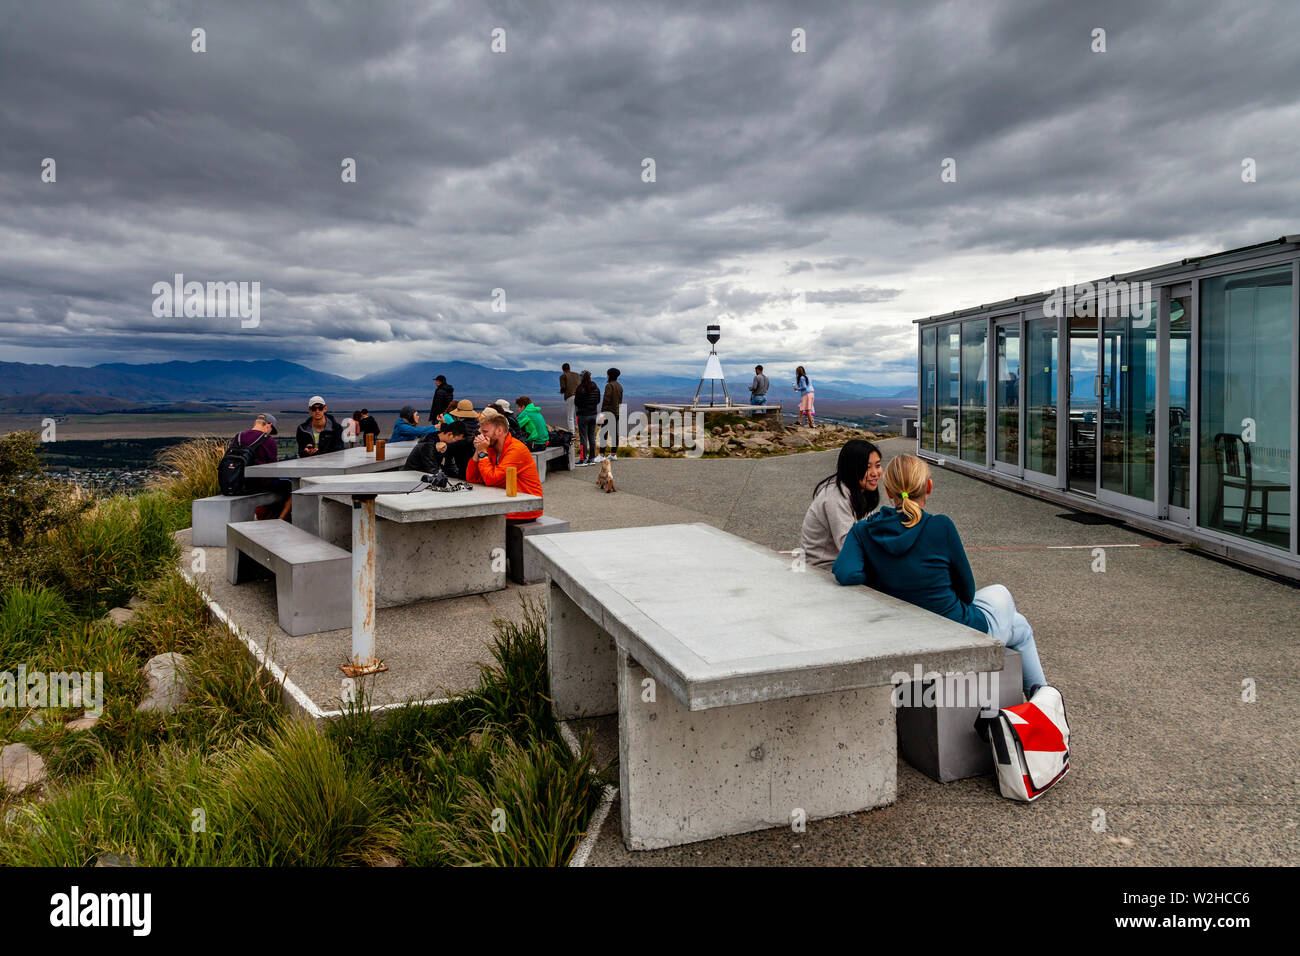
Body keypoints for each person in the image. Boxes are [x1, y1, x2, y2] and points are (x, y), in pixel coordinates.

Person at [832, 455, 1048, 698]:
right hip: (955, 630)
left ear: (888, 490)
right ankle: (1045, 703)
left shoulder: (863, 531)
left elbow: (846, 571)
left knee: (1019, 625)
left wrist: (880, 575)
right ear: (929, 487)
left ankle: (1044, 698)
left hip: (906, 630)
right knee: (1001, 594)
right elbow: (967, 593)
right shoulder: (940, 526)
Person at [799, 439, 882, 570]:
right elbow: (848, 546)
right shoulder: (835, 496)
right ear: (852, 468)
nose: (875, 473)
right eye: (867, 467)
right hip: (822, 568)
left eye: (877, 465)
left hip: (842, 562)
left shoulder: (863, 490)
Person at [466, 407, 543, 521]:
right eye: (480, 432)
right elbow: (472, 478)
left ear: (500, 431)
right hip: (506, 502)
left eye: (485, 432)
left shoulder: (516, 450)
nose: (480, 436)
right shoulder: (491, 448)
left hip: (523, 508)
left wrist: (482, 452)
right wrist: (478, 451)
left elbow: (491, 479)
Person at [233, 413, 292, 520]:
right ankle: (281, 519)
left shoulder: (238, 437)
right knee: (292, 486)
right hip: (259, 483)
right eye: (271, 431)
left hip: (238, 482)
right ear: (268, 425)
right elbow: (273, 470)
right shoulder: (269, 441)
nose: (270, 434)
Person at [408, 418, 473, 479]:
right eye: (456, 440)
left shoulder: (445, 445)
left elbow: (450, 468)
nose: (456, 444)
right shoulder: (428, 445)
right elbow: (432, 471)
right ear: (450, 434)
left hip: (424, 477)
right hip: (412, 478)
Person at [573, 370, 601, 465]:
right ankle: (592, 458)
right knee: (592, 436)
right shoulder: (595, 388)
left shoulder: (580, 388)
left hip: (583, 415)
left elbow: (576, 402)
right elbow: (598, 400)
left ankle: (583, 459)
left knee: (583, 437)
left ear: (581, 378)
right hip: (593, 415)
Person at [599, 368, 623, 458]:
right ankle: (613, 454)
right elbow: (620, 401)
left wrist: (602, 414)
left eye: (607, 374)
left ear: (610, 375)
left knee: (603, 433)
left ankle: (601, 455)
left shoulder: (609, 386)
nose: (606, 376)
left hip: (608, 413)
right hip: (616, 412)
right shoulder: (620, 386)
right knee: (614, 433)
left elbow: (606, 401)